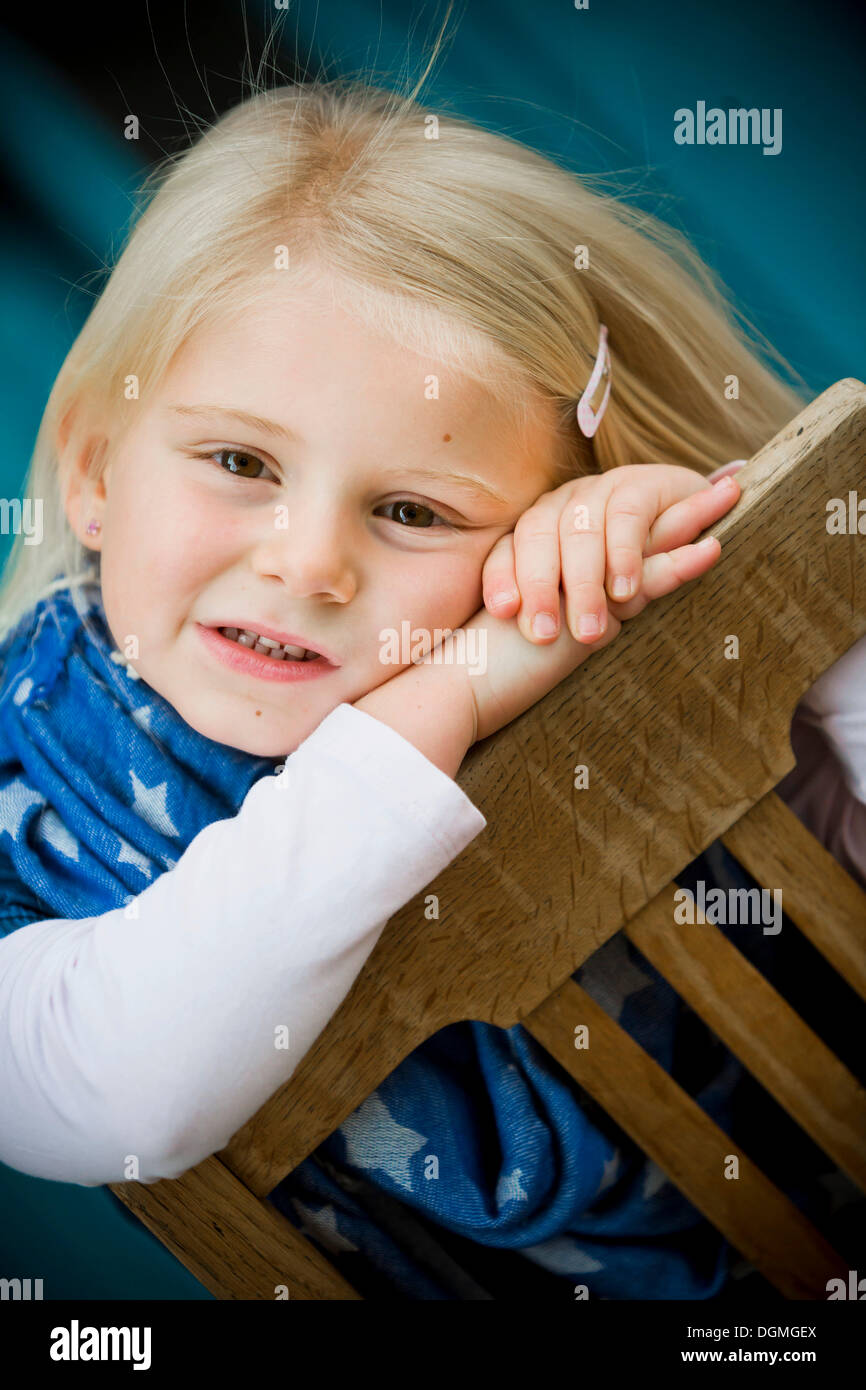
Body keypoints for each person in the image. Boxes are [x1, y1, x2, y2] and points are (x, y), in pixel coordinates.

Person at [0, 68, 862, 1300]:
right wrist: (440, 701)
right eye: (239, 459)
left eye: (412, 510)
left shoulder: (594, 672)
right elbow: (112, 1091)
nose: (304, 562)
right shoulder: (17, 804)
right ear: (91, 465)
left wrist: (752, 597)